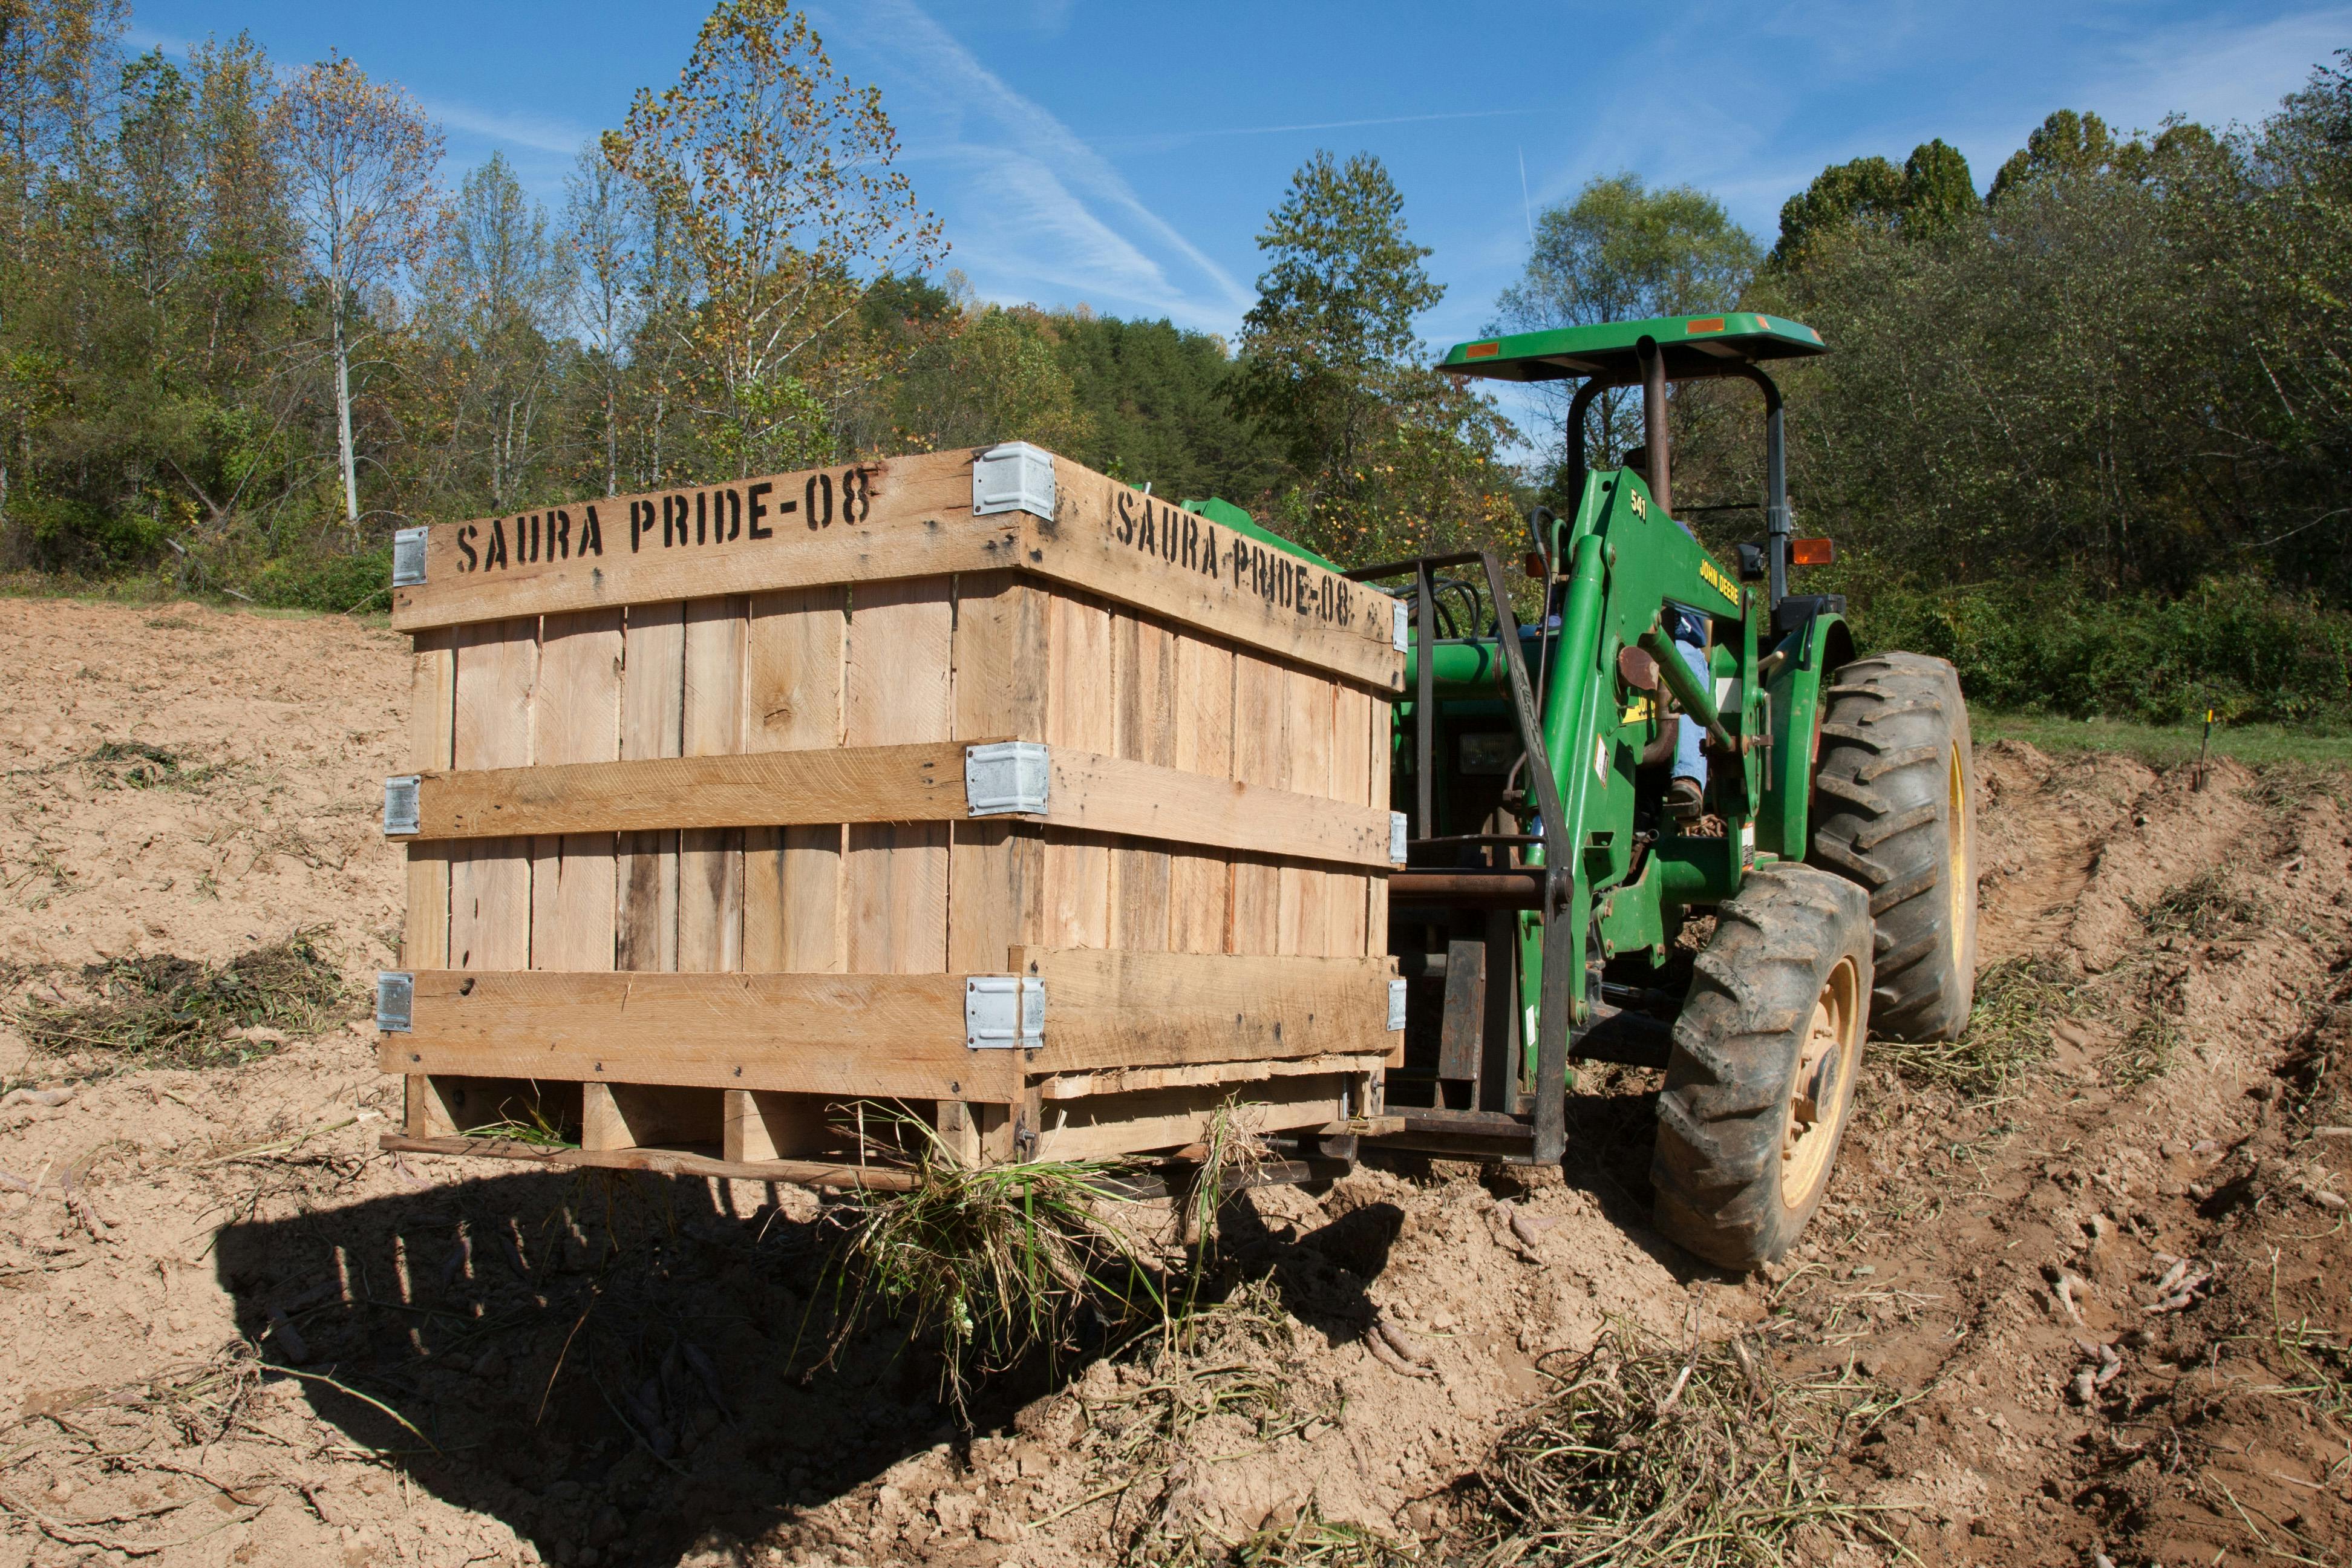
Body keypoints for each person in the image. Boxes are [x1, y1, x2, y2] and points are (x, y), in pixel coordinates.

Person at [1620, 444, 1710, 820]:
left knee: (1685, 662)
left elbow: (1697, 615)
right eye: (1635, 479)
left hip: (1669, 640)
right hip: (1619, 640)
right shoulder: (1610, 529)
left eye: (1647, 479)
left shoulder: (1677, 536)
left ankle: (1687, 778)